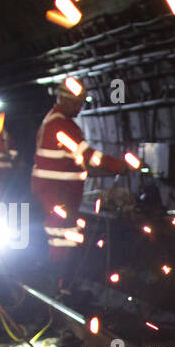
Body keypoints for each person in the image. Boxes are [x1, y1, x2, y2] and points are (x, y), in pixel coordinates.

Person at [30, 78, 126, 290]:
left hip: (60, 198)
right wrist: (119, 166)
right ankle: (56, 291)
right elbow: (89, 156)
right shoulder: (60, 125)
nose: (80, 107)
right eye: (77, 103)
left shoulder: (61, 123)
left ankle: (61, 288)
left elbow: (78, 163)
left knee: (65, 241)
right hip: (55, 198)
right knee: (61, 243)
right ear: (63, 99)